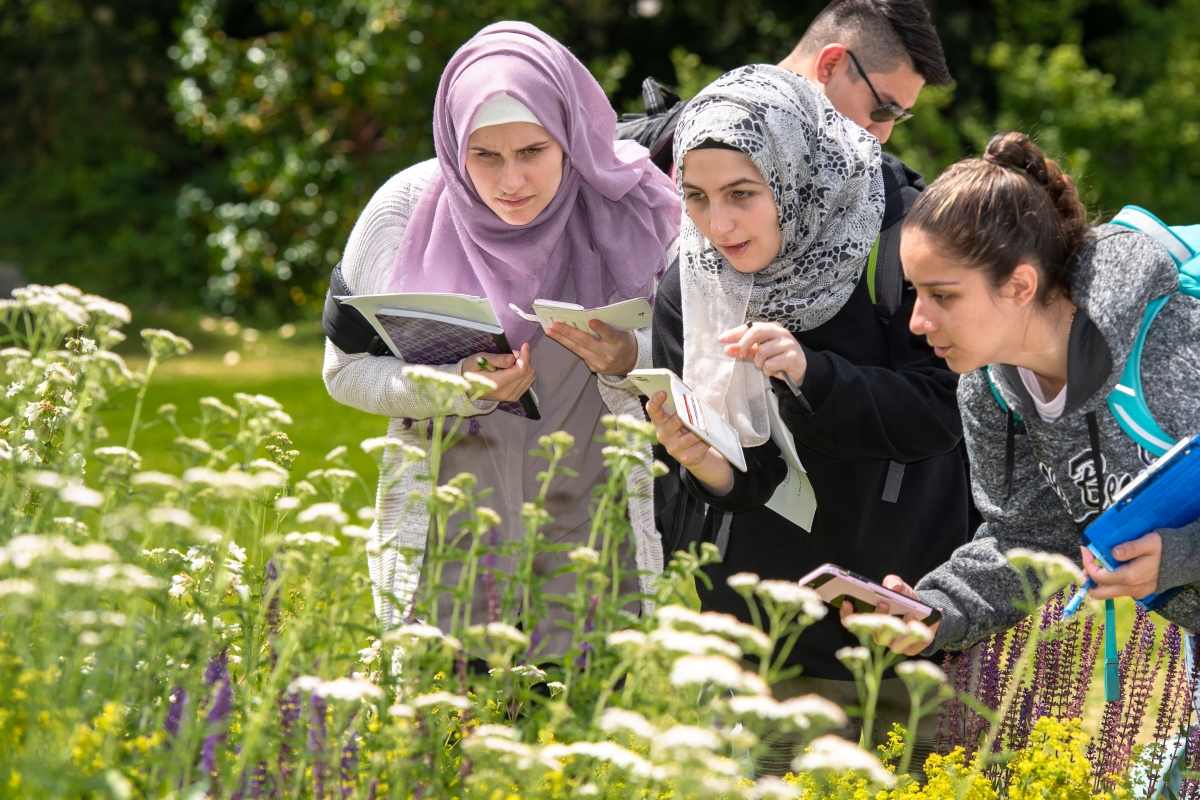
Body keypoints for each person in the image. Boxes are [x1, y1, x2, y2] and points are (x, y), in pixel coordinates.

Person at [647, 64, 972, 776]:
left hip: (893, 625)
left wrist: (810, 373)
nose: (717, 224)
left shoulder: (899, 241)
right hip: (761, 641)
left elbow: (944, 411)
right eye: (695, 197)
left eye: (741, 194)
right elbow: (750, 477)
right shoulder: (690, 280)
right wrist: (702, 462)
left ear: (793, 173)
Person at [322, 22, 680, 650]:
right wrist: (450, 388)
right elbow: (344, 370)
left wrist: (630, 357)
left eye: (533, 152)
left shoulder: (638, 207)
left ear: (569, 136)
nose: (510, 181)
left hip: (596, 557)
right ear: (453, 142)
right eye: (484, 155)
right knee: (444, 742)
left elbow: (706, 361)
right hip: (446, 568)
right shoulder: (401, 212)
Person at [864, 132, 1200, 658]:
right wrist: (933, 612)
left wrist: (1185, 554)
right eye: (915, 292)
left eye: (943, 295)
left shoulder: (1171, 340)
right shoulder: (989, 391)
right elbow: (1026, 536)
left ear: (1020, 286)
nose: (918, 321)